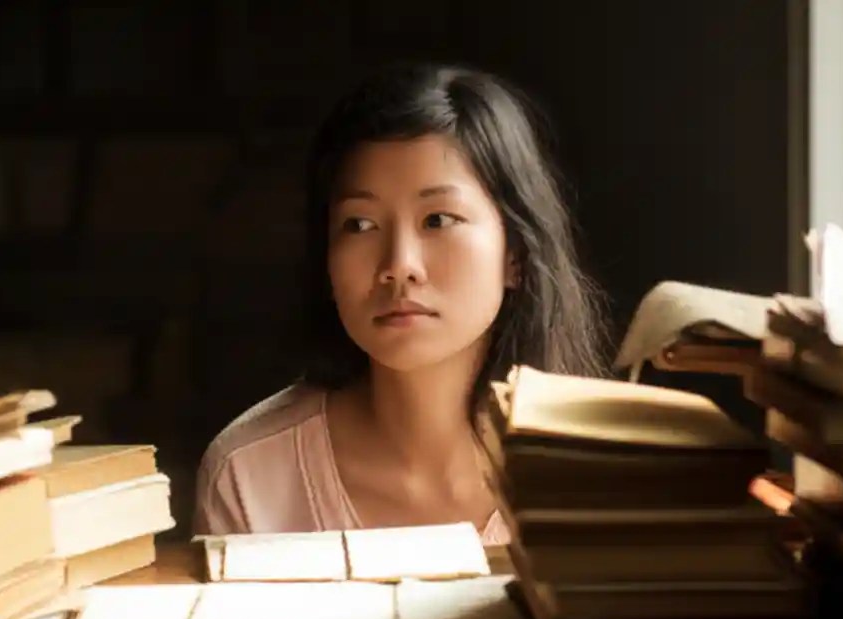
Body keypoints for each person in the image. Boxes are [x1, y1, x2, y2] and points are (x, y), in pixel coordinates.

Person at [193, 63, 609, 544]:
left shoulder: (599, 474)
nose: (399, 265)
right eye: (360, 225)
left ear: (515, 254)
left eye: (438, 220)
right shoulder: (252, 474)